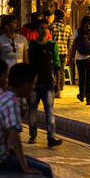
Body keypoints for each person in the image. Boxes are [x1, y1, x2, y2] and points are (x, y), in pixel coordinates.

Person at [26, 19, 63, 148]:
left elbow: (57, 64)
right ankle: (33, 135)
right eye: (41, 28)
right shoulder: (31, 45)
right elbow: (28, 64)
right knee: (32, 111)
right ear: (37, 30)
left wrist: (58, 83)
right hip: (34, 85)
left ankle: (51, 137)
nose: (44, 30)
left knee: (50, 111)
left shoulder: (52, 45)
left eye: (46, 28)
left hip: (48, 83)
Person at [72, 15, 90, 104]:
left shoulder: (77, 31)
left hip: (79, 57)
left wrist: (71, 56)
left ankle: (81, 95)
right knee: (89, 79)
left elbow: (74, 45)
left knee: (81, 77)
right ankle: (88, 99)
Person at [49, 8, 73, 94]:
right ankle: (60, 88)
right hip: (63, 52)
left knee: (52, 70)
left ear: (55, 16)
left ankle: (53, 87)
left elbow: (49, 39)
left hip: (53, 52)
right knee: (61, 71)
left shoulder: (51, 27)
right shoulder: (68, 27)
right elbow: (70, 41)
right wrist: (68, 49)